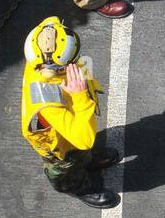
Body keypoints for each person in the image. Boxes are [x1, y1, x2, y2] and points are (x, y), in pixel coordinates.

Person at [21, 16, 119, 207]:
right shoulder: (47, 99)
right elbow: (83, 140)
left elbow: (50, 23)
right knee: (67, 170)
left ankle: (86, 161)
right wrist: (80, 95)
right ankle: (80, 188)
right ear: (60, 67)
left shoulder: (39, 49)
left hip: (67, 131)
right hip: (60, 149)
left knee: (82, 155)